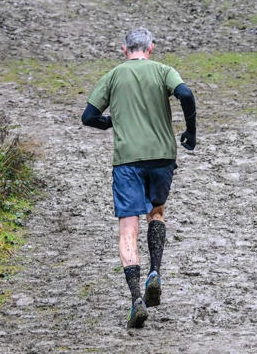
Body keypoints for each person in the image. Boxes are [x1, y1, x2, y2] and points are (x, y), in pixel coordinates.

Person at [81, 27, 196, 329]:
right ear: (151, 48)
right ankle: (154, 271)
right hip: (162, 156)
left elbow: (88, 116)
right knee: (156, 212)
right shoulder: (163, 71)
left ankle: (136, 300)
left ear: (124, 49)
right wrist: (191, 132)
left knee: (127, 229)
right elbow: (185, 93)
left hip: (127, 160)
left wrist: (110, 123)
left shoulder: (114, 75)